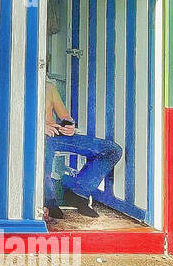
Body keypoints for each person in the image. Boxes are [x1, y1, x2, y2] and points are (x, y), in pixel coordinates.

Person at [43, 80, 122, 220]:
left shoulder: (49, 87)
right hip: (35, 139)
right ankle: (49, 202)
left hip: (56, 136)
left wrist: (69, 125)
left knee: (112, 150)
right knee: (43, 149)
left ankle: (78, 193)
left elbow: (65, 117)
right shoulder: (15, 85)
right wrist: (40, 127)